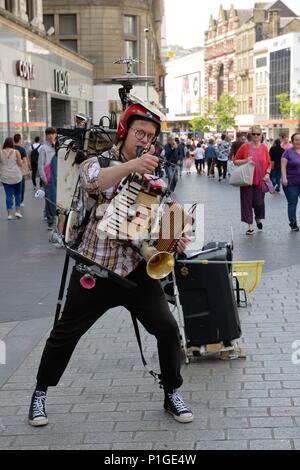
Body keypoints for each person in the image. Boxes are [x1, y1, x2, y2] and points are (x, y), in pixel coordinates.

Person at [28, 103, 194, 428]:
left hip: (135, 268)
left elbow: (170, 209)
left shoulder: (153, 176)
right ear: (125, 132)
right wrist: (132, 165)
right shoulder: (99, 161)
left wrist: (176, 234)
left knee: (168, 329)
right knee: (64, 334)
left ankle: (172, 392)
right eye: (139, 133)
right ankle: (39, 393)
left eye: (150, 136)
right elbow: (94, 182)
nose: (144, 140)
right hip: (95, 268)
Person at [234, 126, 272, 236]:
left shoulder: (264, 148)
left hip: (260, 180)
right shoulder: (245, 147)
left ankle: (258, 218)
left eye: (258, 134)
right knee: (247, 203)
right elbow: (235, 161)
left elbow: (269, 163)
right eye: (253, 134)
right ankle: (250, 226)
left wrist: (268, 173)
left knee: (259, 203)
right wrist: (246, 160)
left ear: (261, 135)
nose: (255, 136)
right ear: (250, 135)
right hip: (246, 180)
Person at [38, 127, 58, 230]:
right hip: (48, 177)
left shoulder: (58, 147)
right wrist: (44, 178)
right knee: (50, 200)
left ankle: (56, 219)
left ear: (56, 135)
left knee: (57, 199)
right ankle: (50, 221)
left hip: (58, 177)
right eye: (48, 134)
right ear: (46, 135)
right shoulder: (43, 148)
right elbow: (40, 165)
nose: (51, 136)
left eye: (53, 133)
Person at [0, 137, 23, 219]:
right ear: (12, 143)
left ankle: (9, 214)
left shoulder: (0, 152)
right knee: (18, 194)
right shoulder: (16, 152)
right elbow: (20, 164)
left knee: (8, 195)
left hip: (5, 176)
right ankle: (17, 212)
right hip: (16, 175)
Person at [281, 132, 300, 232]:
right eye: (296, 140)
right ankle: (293, 224)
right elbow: (283, 167)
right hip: (291, 183)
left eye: (299, 139)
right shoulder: (287, 152)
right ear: (292, 141)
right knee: (292, 203)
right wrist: (284, 178)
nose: (298, 141)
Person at [13, 134, 28, 207]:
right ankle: (20, 201)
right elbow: (25, 161)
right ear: (19, 140)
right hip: (20, 171)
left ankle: (13, 197)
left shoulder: (10, 149)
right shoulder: (22, 149)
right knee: (21, 186)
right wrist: (26, 169)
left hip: (12, 171)